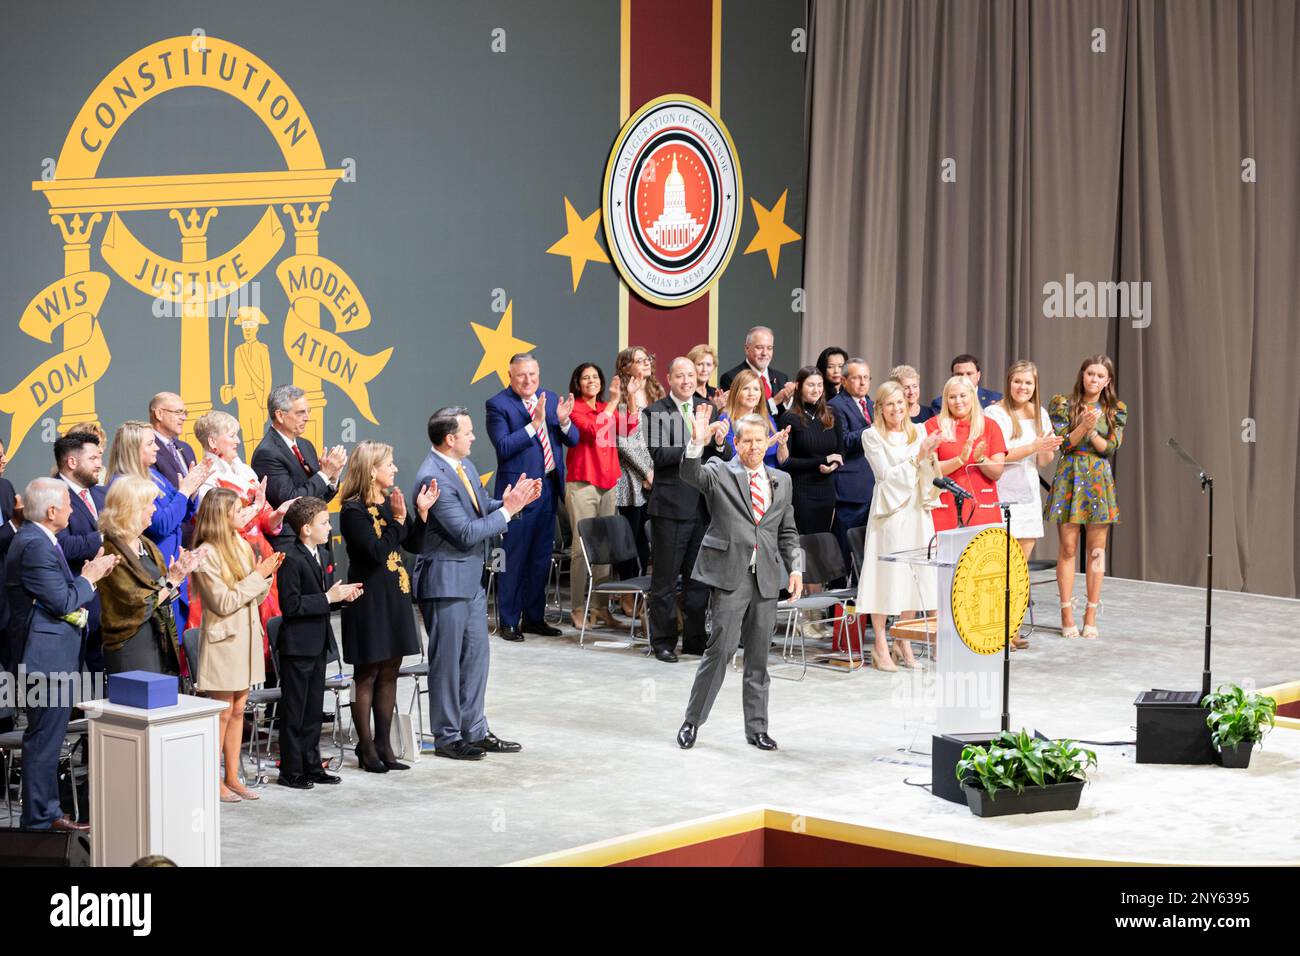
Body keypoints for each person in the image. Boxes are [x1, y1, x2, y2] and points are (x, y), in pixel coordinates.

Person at [414, 408, 539, 760]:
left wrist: (518, 502)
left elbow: (483, 508)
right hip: (445, 582)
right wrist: (508, 511)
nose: (473, 438)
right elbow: (466, 532)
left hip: (470, 580)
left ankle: (475, 729)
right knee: (448, 662)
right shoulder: (431, 477)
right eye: (467, 433)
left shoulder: (464, 467)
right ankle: (448, 736)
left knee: (476, 659)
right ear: (450, 439)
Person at [675, 411, 802, 752]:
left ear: (767, 443)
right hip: (731, 575)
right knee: (720, 651)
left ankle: (757, 728)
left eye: (760, 440)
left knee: (759, 657)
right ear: (736, 443)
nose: (754, 447)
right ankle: (692, 721)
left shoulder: (781, 481)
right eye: (747, 441)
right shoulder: (720, 471)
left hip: (767, 577)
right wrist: (696, 444)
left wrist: (796, 568)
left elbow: (787, 530)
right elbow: (691, 474)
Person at [7, 478, 118, 831]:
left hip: (53, 658)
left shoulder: (39, 540)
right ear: (52, 511)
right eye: (69, 503)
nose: (74, 509)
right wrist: (90, 577)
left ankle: (48, 814)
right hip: (45, 663)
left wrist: (85, 579)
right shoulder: (34, 544)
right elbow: (64, 601)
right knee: (44, 741)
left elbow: (58, 596)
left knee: (49, 739)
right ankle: (40, 821)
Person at [190, 487, 281, 803]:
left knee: (240, 708)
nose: (244, 513)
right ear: (221, 515)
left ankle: (232, 776)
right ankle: (211, 779)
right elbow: (223, 601)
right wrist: (258, 576)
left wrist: (266, 576)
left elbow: (252, 596)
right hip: (224, 642)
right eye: (238, 509)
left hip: (246, 638)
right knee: (222, 711)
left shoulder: (242, 545)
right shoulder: (205, 554)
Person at [338, 441, 424, 772]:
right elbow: (374, 552)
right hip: (368, 599)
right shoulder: (352, 510)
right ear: (372, 470)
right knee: (368, 673)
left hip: (395, 595)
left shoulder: (391, 504)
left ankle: (386, 745)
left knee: (391, 671)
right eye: (389, 464)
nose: (395, 469)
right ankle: (366, 747)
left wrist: (421, 515)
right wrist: (399, 523)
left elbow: (414, 544)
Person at [643, 357, 732, 662]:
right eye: (680, 376)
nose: (686, 381)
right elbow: (659, 455)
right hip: (670, 506)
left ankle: (695, 639)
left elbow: (723, 454)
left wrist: (718, 442)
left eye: (691, 375)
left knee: (699, 579)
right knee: (665, 581)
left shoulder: (707, 407)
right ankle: (664, 641)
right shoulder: (655, 412)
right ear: (669, 378)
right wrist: (695, 441)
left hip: (704, 507)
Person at [485, 353, 578, 641]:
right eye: (521, 375)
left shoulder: (549, 397)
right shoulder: (498, 405)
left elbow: (572, 439)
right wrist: (533, 425)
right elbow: (503, 447)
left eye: (533, 375)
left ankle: (534, 617)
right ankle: (510, 621)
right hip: (519, 494)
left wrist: (563, 422)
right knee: (515, 558)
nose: (528, 381)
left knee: (540, 558)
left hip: (549, 488)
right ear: (510, 376)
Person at [274, 497, 363, 789]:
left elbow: (323, 600)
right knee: (294, 711)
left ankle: (312, 764)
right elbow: (291, 605)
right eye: (323, 522)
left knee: (313, 710)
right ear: (305, 529)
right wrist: (327, 598)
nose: (329, 527)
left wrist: (340, 598)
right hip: (297, 646)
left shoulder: (321, 554)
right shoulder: (292, 558)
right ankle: (291, 769)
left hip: (316, 642)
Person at [856, 382, 942, 670]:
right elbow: (886, 476)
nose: (897, 409)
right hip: (890, 513)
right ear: (879, 408)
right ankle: (880, 643)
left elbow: (929, 471)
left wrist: (929, 457)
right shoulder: (871, 436)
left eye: (900, 403)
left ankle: (903, 638)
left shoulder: (919, 432)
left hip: (917, 510)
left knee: (914, 574)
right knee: (887, 575)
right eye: (889, 404)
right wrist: (918, 458)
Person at [106, 420, 214, 635]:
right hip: (153, 572)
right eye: (150, 444)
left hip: (172, 566)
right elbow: (161, 525)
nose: (157, 447)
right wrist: (185, 491)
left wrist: (191, 493)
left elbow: (181, 511)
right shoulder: (124, 483)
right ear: (132, 449)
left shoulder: (153, 474)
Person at [191, 411, 292, 641]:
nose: (238, 441)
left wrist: (277, 513)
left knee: (268, 619)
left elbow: (264, 518)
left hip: (259, 552)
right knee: (242, 618)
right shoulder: (206, 477)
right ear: (213, 442)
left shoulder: (245, 471)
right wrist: (256, 507)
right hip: (231, 557)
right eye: (232, 435)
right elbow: (217, 523)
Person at [1047, 354, 1127, 640]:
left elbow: (1109, 449)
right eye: (1089, 374)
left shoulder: (1115, 409)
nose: (1094, 379)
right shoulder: (1062, 403)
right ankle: (1066, 611)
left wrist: (1093, 432)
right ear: (1082, 375)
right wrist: (1081, 426)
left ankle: (1091, 613)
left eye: (1100, 376)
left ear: (1107, 381)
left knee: (1096, 551)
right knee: (1068, 549)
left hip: (1098, 479)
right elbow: (1063, 445)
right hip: (1071, 475)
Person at [97, 477, 200, 675]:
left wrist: (175, 574)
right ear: (131, 509)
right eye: (149, 504)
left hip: (156, 639)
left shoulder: (146, 544)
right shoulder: (112, 551)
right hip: (130, 646)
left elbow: (156, 588)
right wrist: (172, 581)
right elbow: (140, 603)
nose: (154, 509)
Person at [564, 363, 632, 629]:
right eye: (585, 378)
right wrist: (614, 403)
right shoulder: (575, 409)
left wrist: (631, 398)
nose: (591, 381)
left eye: (595, 377)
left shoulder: (607, 407)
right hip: (582, 483)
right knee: (582, 549)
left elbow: (627, 428)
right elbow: (592, 432)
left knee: (606, 548)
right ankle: (578, 608)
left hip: (608, 482)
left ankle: (601, 608)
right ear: (578, 383)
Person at [250, 384, 348, 550]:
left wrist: (332, 478)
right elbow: (291, 502)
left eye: (308, 411)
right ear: (280, 415)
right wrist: (324, 474)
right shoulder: (267, 453)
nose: (307, 417)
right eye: (300, 412)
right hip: (292, 545)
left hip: (317, 541)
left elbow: (317, 498)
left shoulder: (305, 445)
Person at [985, 361, 1061, 560]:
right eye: (1017, 381)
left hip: (1029, 493)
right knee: (1001, 559)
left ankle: (1019, 593)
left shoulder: (1040, 413)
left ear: (1035, 386)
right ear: (1009, 382)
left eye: (1028, 383)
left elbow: (1043, 461)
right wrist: (1033, 446)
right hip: (1002, 491)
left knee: (1020, 563)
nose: (1022, 387)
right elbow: (998, 456)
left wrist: (1047, 447)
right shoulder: (994, 413)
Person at [54, 432, 106, 677]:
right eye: (93, 458)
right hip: (75, 606)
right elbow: (61, 546)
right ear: (72, 462)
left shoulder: (100, 494)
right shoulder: (53, 495)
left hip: (106, 608)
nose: (99, 463)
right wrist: (104, 538)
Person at [925, 376, 1008, 531]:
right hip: (944, 509)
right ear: (945, 400)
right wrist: (959, 460)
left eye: (963, 395)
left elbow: (997, 472)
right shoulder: (932, 426)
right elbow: (930, 472)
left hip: (982, 509)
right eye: (952, 397)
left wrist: (981, 459)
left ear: (972, 396)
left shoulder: (990, 426)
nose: (958, 401)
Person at [611, 346, 660, 595]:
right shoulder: (618, 398)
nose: (646, 363)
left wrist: (656, 470)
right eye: (639, 360)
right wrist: (646, 472)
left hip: (656, 474)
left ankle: (645, 594)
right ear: (625, 367)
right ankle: (628, 593)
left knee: (651, 538)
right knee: (632, 538)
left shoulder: (657, 393)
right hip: (631, 478)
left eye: (647, 359)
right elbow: (624, 442)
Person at [777, 366, 842, 534]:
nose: (816, 390)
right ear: (798, 386)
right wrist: (823, 460)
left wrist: (833, 465)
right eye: (811, 385)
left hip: (827, 491)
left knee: (823, 543)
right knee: (802, 546)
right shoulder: (789, 417)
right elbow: (786, 462)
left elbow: (840, 452)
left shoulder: (832, 414)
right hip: (802, 493)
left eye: (819, 385)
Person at [828, 358, 876, 568]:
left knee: (868, 551)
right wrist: (874, 429)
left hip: (872, 487)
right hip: (850, 491)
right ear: (844, 380)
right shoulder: (835, 406)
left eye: (866, 377)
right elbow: (844, 442)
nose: (862, 382)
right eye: (857, 378)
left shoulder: (872, 404)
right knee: (848, 552)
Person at [219, 306, 273, 445]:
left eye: (250, 325)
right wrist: (231, 392)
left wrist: (263, 406)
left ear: (257, 327)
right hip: (243, 404)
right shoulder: (238, 351)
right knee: (247, 439)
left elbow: (267, 380)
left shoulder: (262, 350)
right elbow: (240, 381)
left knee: (259, 440)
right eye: (244, 325)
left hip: (257, 402)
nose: (247, 329)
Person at [718, 325, 795, 419]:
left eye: (769, 348)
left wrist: (787, 399)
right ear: (747, 349)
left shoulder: (781, 378)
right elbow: (737, 414)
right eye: (759, 347)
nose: (765, 353)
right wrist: (774, 401)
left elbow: (785, 416)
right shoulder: (732, 377)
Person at [718, 369, 789, 468]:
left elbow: (782, 461)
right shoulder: (726, 419)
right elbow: (731, 456)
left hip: (769, 477)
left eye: (756, 389)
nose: (751, 393)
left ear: (761, 394)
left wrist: (782, 444)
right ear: (736, 392)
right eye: (746, 388)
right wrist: (766, 444)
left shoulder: (767, 419)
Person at [148, 392, 197, 495]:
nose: (184, 418)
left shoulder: (186, 448)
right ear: (159, 414)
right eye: (178, 412)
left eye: (185, 413)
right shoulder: (147, 448)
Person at [928, 354, 1003, 413]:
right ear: (952, 377)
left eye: (969, 373)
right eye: (959, 374)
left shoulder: (996, 399)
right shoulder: (940, 403)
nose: (965, 378)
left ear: (978, 375)